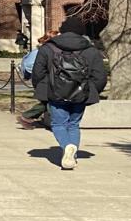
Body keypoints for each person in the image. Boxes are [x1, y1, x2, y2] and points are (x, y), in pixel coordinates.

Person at [31, 16, 108, 171]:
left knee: (58, 123)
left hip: (55, 92)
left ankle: (67, 148)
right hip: (81, 92)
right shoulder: (90, 50)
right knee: (73, 124)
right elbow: (100, 76)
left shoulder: (48, 48)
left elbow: (38, 72)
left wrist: (42, 88)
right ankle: (71, 153)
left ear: (62, 30)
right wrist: (92, 90)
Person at [15, 34, 52, 129]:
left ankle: (28, 117)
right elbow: (31, 65)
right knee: (49, 101)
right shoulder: (42, 51)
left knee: (48, 101)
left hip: (44, 80)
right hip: (44, 80)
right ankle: (27, 116)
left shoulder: (41, 50)